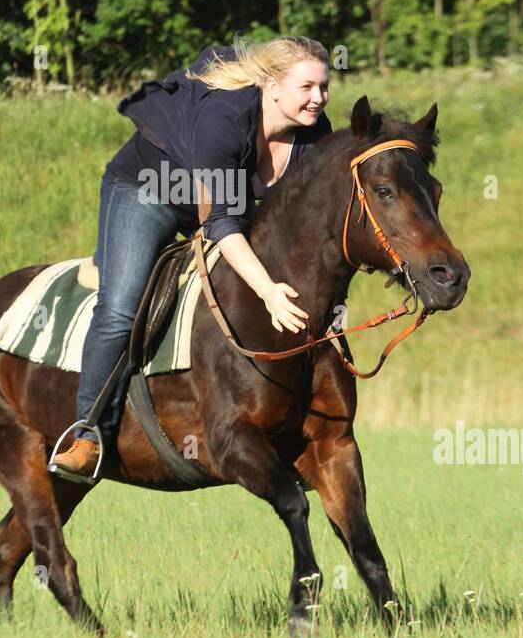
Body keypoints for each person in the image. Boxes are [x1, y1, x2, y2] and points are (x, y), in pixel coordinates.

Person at [51, 34, 333, 478]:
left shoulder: (314, 135)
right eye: (307, 88)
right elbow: (221, 222)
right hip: (148, 189)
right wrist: (268, 292)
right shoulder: (225, 117)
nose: (318, 99)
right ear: (273, 87)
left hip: (223, 206)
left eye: (324, 87)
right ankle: (88, 435)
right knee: (122, 306)